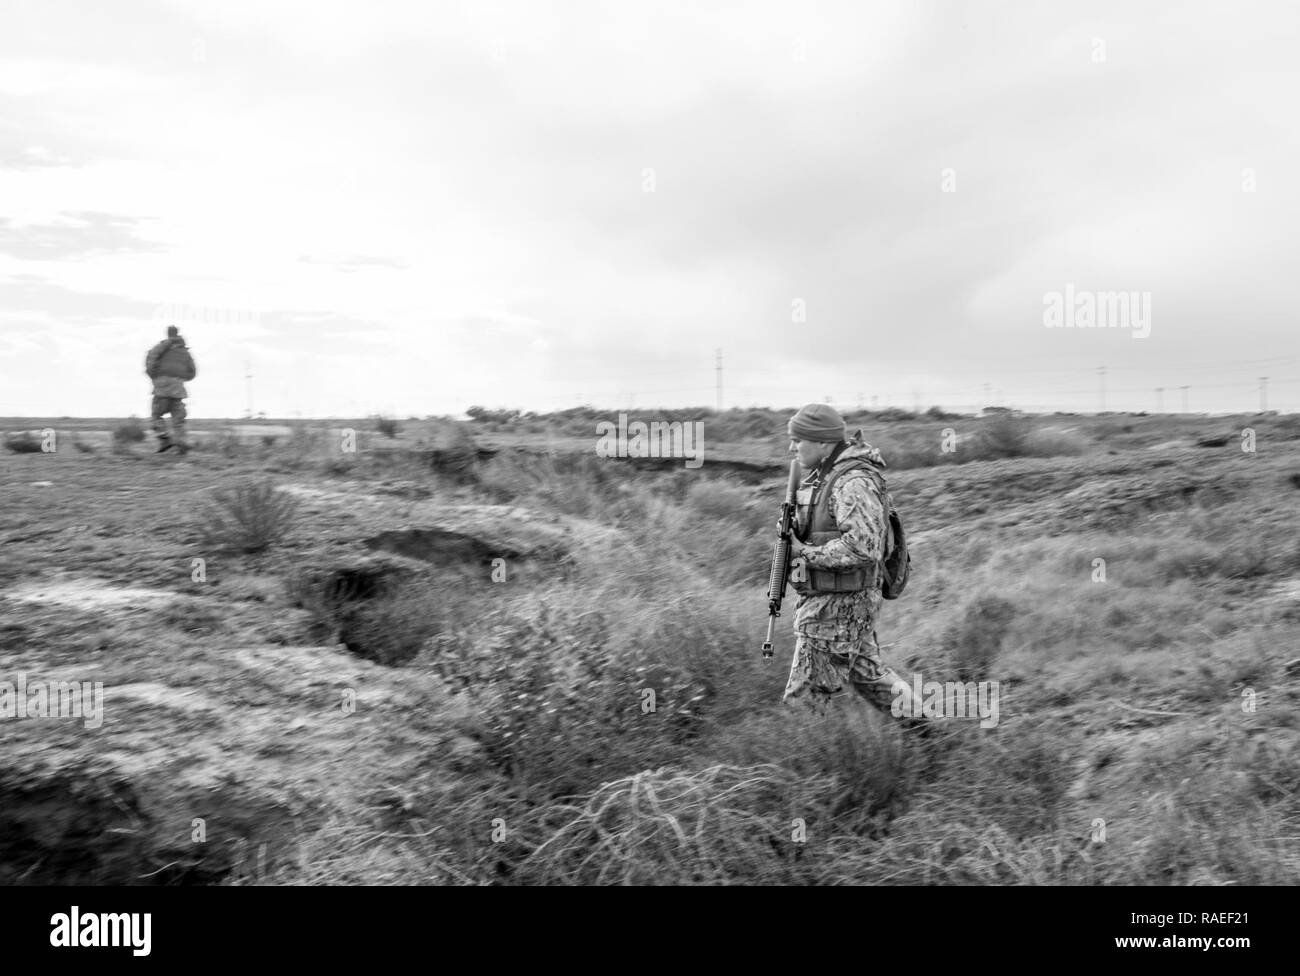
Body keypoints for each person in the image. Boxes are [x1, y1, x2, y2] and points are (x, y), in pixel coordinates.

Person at [780, 403, 926, 728]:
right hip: (838, 605)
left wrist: (804, 553)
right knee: (872, 680)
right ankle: (933, 735)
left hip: (837, 609)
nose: (791, 447)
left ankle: (806, 773)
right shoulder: (828, 476)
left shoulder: (853, 482)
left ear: (821, 442)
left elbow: (862, 548)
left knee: (803, 701)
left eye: (797, 439)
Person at [144, 326, 197, 454]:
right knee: (178, 420)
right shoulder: (185, 352)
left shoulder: (161, 347)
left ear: (168, 334)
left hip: (162, 386)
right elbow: (192, 372)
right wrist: (180, 378)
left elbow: (150, 359)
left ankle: (164, 439)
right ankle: (181, 444)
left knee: (156, 415)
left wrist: (154, 375)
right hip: (178, 387)